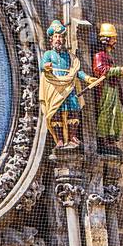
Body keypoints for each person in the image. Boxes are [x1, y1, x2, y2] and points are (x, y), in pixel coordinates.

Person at [39, 18, 90, 149]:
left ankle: (72, 136)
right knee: (56, 112)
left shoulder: (69, 56)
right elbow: (42, 66)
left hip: (69, 84)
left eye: (61, 37)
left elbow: (76, 70)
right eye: (56, 37)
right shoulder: (49, 54)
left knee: (73, 108)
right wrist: (46, 66)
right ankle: (59, 139)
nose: (58, 39)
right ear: (51, 39)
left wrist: (88, 78)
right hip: (55, 85)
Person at [92, 22, 123, 149]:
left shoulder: (108, 55)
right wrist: (119, 70)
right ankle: (103, 139)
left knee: (119, 115)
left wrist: (121, 71)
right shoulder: (99, 55)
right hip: (105, 88)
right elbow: (99, 69)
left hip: (113, 87)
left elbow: (110, 69)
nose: (115, 41)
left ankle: (112, 139)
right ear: (106, 39)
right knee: (107, 112)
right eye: (113, 38)